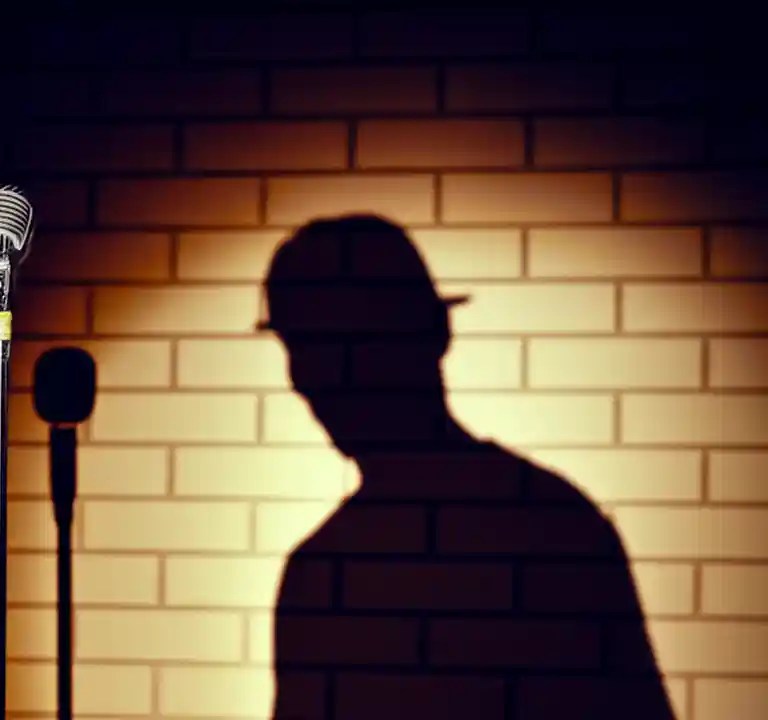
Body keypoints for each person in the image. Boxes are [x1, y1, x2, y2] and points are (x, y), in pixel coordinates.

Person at [261, 215, 675, 719]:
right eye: (307, 348)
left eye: (349, 343)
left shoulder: (322, 575)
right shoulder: (558, 525)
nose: (321, 378)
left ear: (433, 333)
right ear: (439, 329)